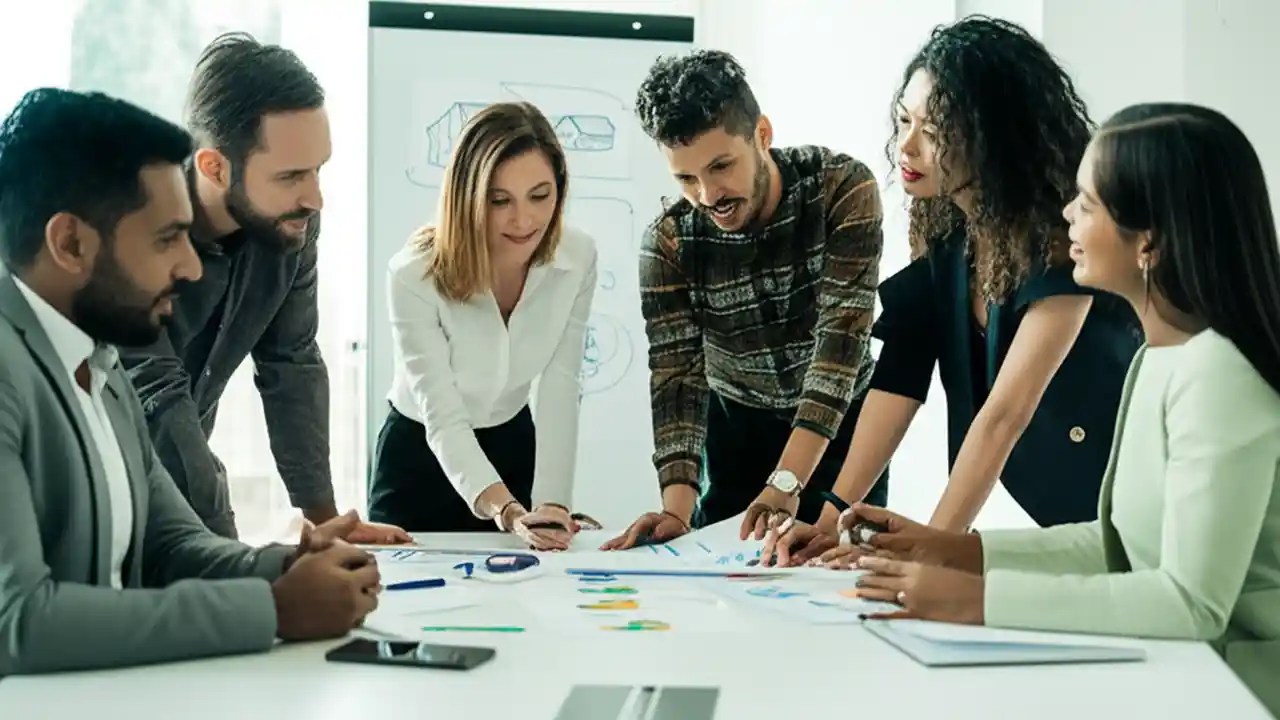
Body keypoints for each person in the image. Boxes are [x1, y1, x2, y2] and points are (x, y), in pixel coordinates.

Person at [844, 102, 1280, 716]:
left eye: (1087, 203)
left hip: (1236, 689)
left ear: (1148, 241)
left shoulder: (1218, 374)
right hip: (1181, 675)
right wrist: (954, 552)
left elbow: (1189, 604)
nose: (1067, 215)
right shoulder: (1161, 356)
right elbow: (1121, 546)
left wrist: (979, 599)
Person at [0, 88, 381, 675]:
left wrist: (287, 569)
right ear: (70, 244)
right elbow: (17, 623)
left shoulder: (98, 360)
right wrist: (275, 609)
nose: (193, 267)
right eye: (164, 239)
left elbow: (170, 545)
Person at [762, 16, 1142, 566]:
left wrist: (931, 551)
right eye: (903, 121)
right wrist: (828, 518)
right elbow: (898, 380)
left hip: (1138, 513)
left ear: (995, 138)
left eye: (935, 131)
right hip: (1074, 527)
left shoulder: (1062, 243)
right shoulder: (949, 240)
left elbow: (1005, 414)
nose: (907, 146)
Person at [116, 33, 409, 543]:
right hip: (96, 488)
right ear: (214, 166)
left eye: (319, 169)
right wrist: (231, 556)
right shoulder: (134, 226)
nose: (315, 197)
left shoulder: (291, 226)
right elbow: (157, 396)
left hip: (178, 494)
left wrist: (326, 521)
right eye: (292, 175)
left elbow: (291, 361)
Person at [602, 49, 888, 551]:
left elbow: (839, 345)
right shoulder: (669, 242)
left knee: (840, 576)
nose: (708, 194)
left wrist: (786, 482)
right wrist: (676, 509)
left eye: (720, 166)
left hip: (844, 426)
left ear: (762, 134)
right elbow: (677, 376)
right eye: (686, 179)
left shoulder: (843, 190)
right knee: (727, 584)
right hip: (737, 429)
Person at [367, 101, 598, 549]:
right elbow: (443, 417)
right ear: (468, 197)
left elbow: (559, 384)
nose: (524, 220)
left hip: (513, 444)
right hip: (420, 458)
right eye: (499, 201)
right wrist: (506, 510)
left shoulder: (578, 258)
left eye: (540, 195)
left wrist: (552, 502)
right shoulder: (413, 275)